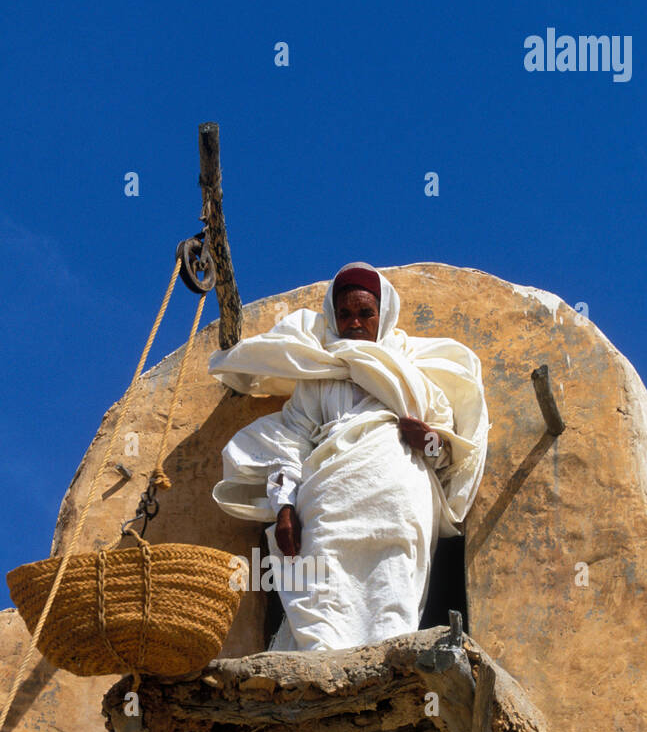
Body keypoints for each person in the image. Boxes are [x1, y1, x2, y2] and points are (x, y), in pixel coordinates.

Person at [208, 261, 489, 651]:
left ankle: (385, 672)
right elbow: (291, 440)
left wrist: (428, 438)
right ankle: (322, 673)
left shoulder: (413, 372)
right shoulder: (319, 377)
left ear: (383, 315)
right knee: (320, 586)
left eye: (365, 313)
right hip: (329, 499)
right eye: (345, 314)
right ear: (333, 317)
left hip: (396, 501)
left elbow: (444, 451)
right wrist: (285, 507)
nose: (355, 322)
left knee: (391, 588)